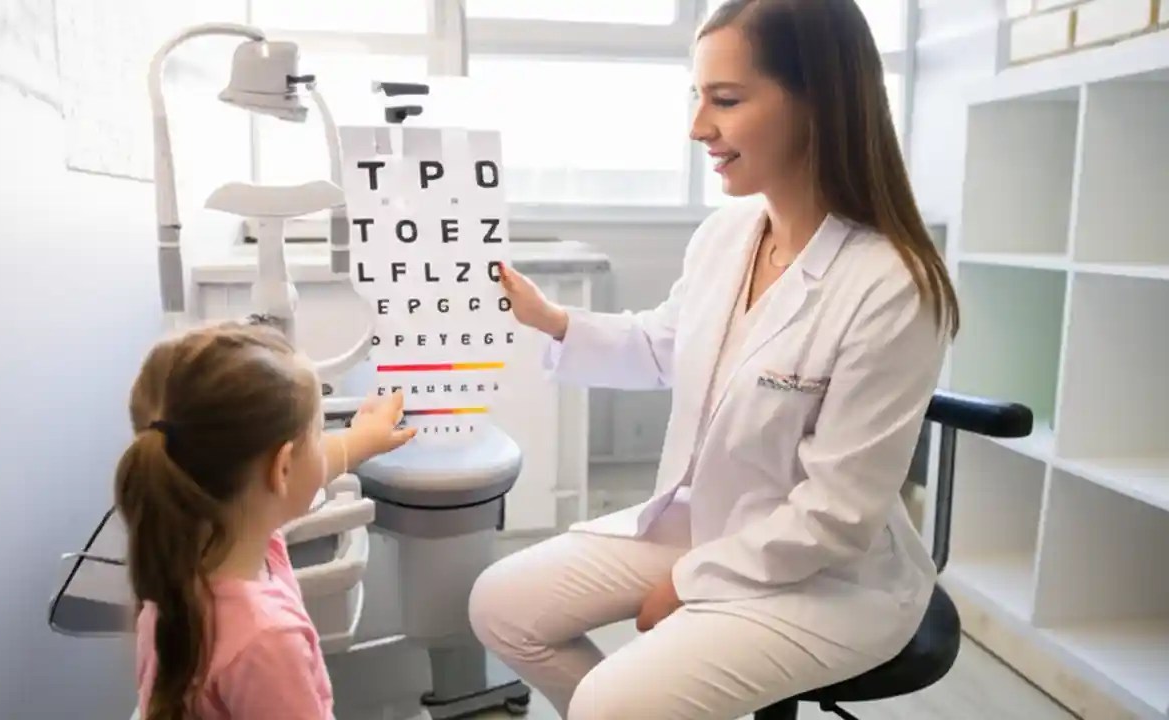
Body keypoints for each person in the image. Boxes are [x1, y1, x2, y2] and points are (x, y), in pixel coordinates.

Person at [469, 1, 960, 718]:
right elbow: (666, 344)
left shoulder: (892, 287)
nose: (699, 127)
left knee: (612, 705)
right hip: (712, 522)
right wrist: (553, 320)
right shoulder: (727, 235)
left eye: (725, 100)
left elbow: (836, 517)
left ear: (819, 102)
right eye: (698, 97)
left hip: (830, 575)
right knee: (501, 604)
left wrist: (691, 580)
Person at [114, 320, 416, 720]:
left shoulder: (181, 557)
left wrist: (361, 439)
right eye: (318, 433)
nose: (324, 445)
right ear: (283, 467)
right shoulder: (266, 641)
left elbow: (298, 473)